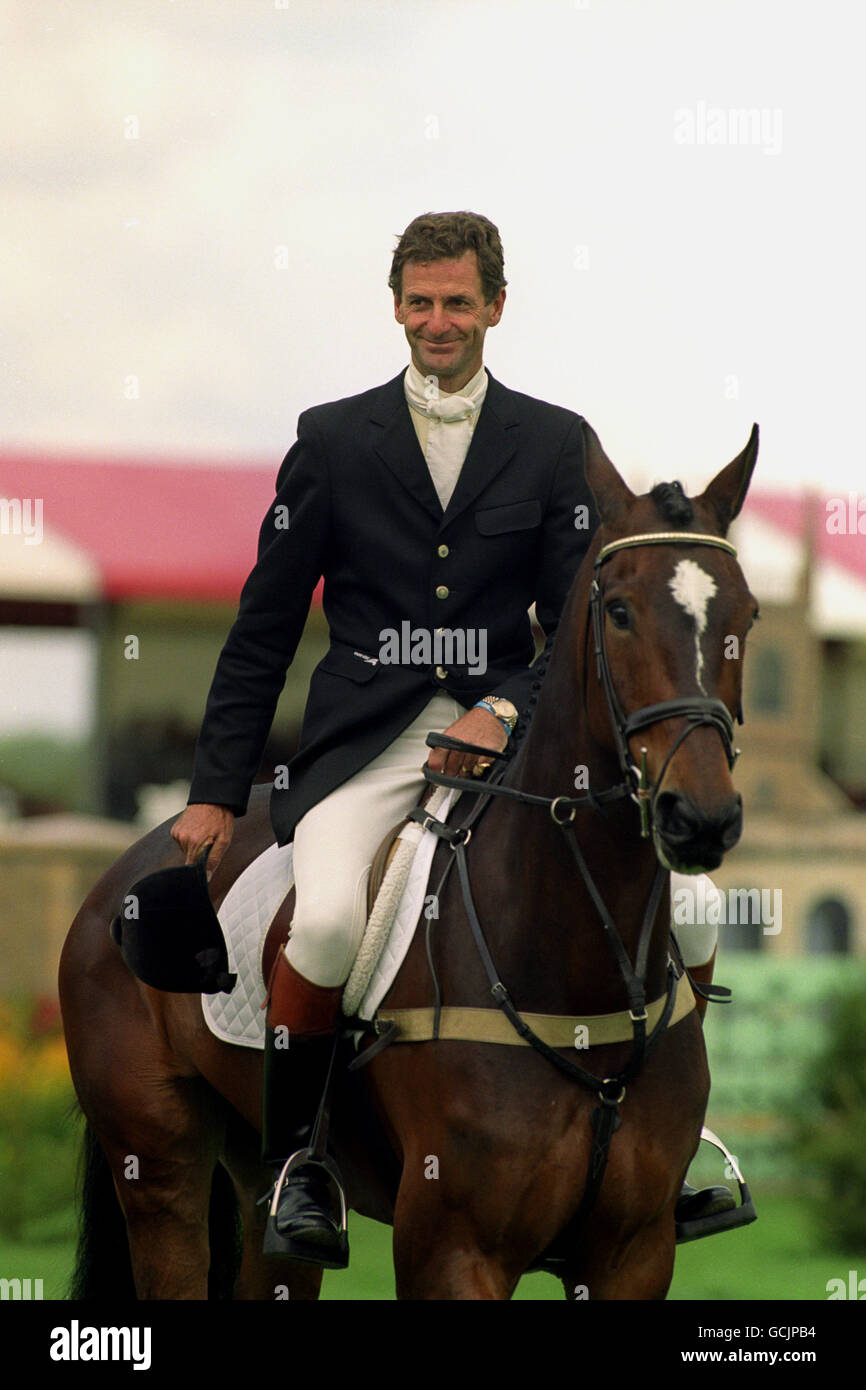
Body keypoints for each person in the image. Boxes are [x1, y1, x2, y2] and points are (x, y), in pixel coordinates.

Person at [171, 211, 731, 1267]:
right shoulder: (331, 439)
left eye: (458, 302)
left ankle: (678, 1141)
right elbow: (262, 628)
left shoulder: (554, 441)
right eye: (421, 302)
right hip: (367, 743)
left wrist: (507, 709)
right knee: (329, 916)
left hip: (516, 738)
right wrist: (212, 789)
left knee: (693, 902)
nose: (439, 321)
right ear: (395, 307)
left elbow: (575, 622)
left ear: (494, 309)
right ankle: (303, 1162)